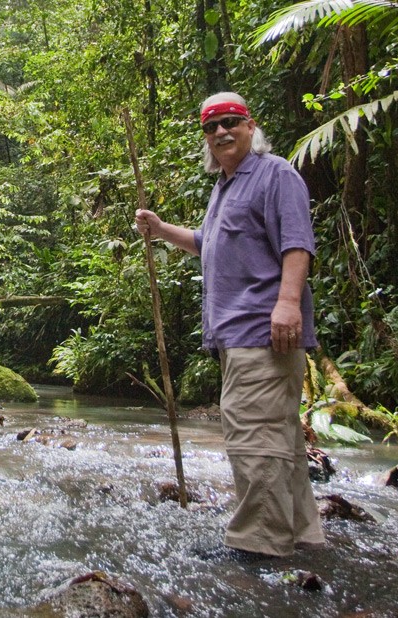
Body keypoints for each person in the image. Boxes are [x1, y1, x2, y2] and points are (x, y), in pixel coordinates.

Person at [135, 92, 325, 559]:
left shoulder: (275, 174)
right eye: (211, 126)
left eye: (230, 122)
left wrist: (288, 304)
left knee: (254, 439)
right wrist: (161, 229)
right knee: (281, 442)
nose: (221, 132)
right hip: (238, 336)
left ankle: (260, 547)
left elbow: (297, 243)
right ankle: (302, 538)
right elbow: (209, 243)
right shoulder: (225, 187)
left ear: (250, 126)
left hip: (262, 332)